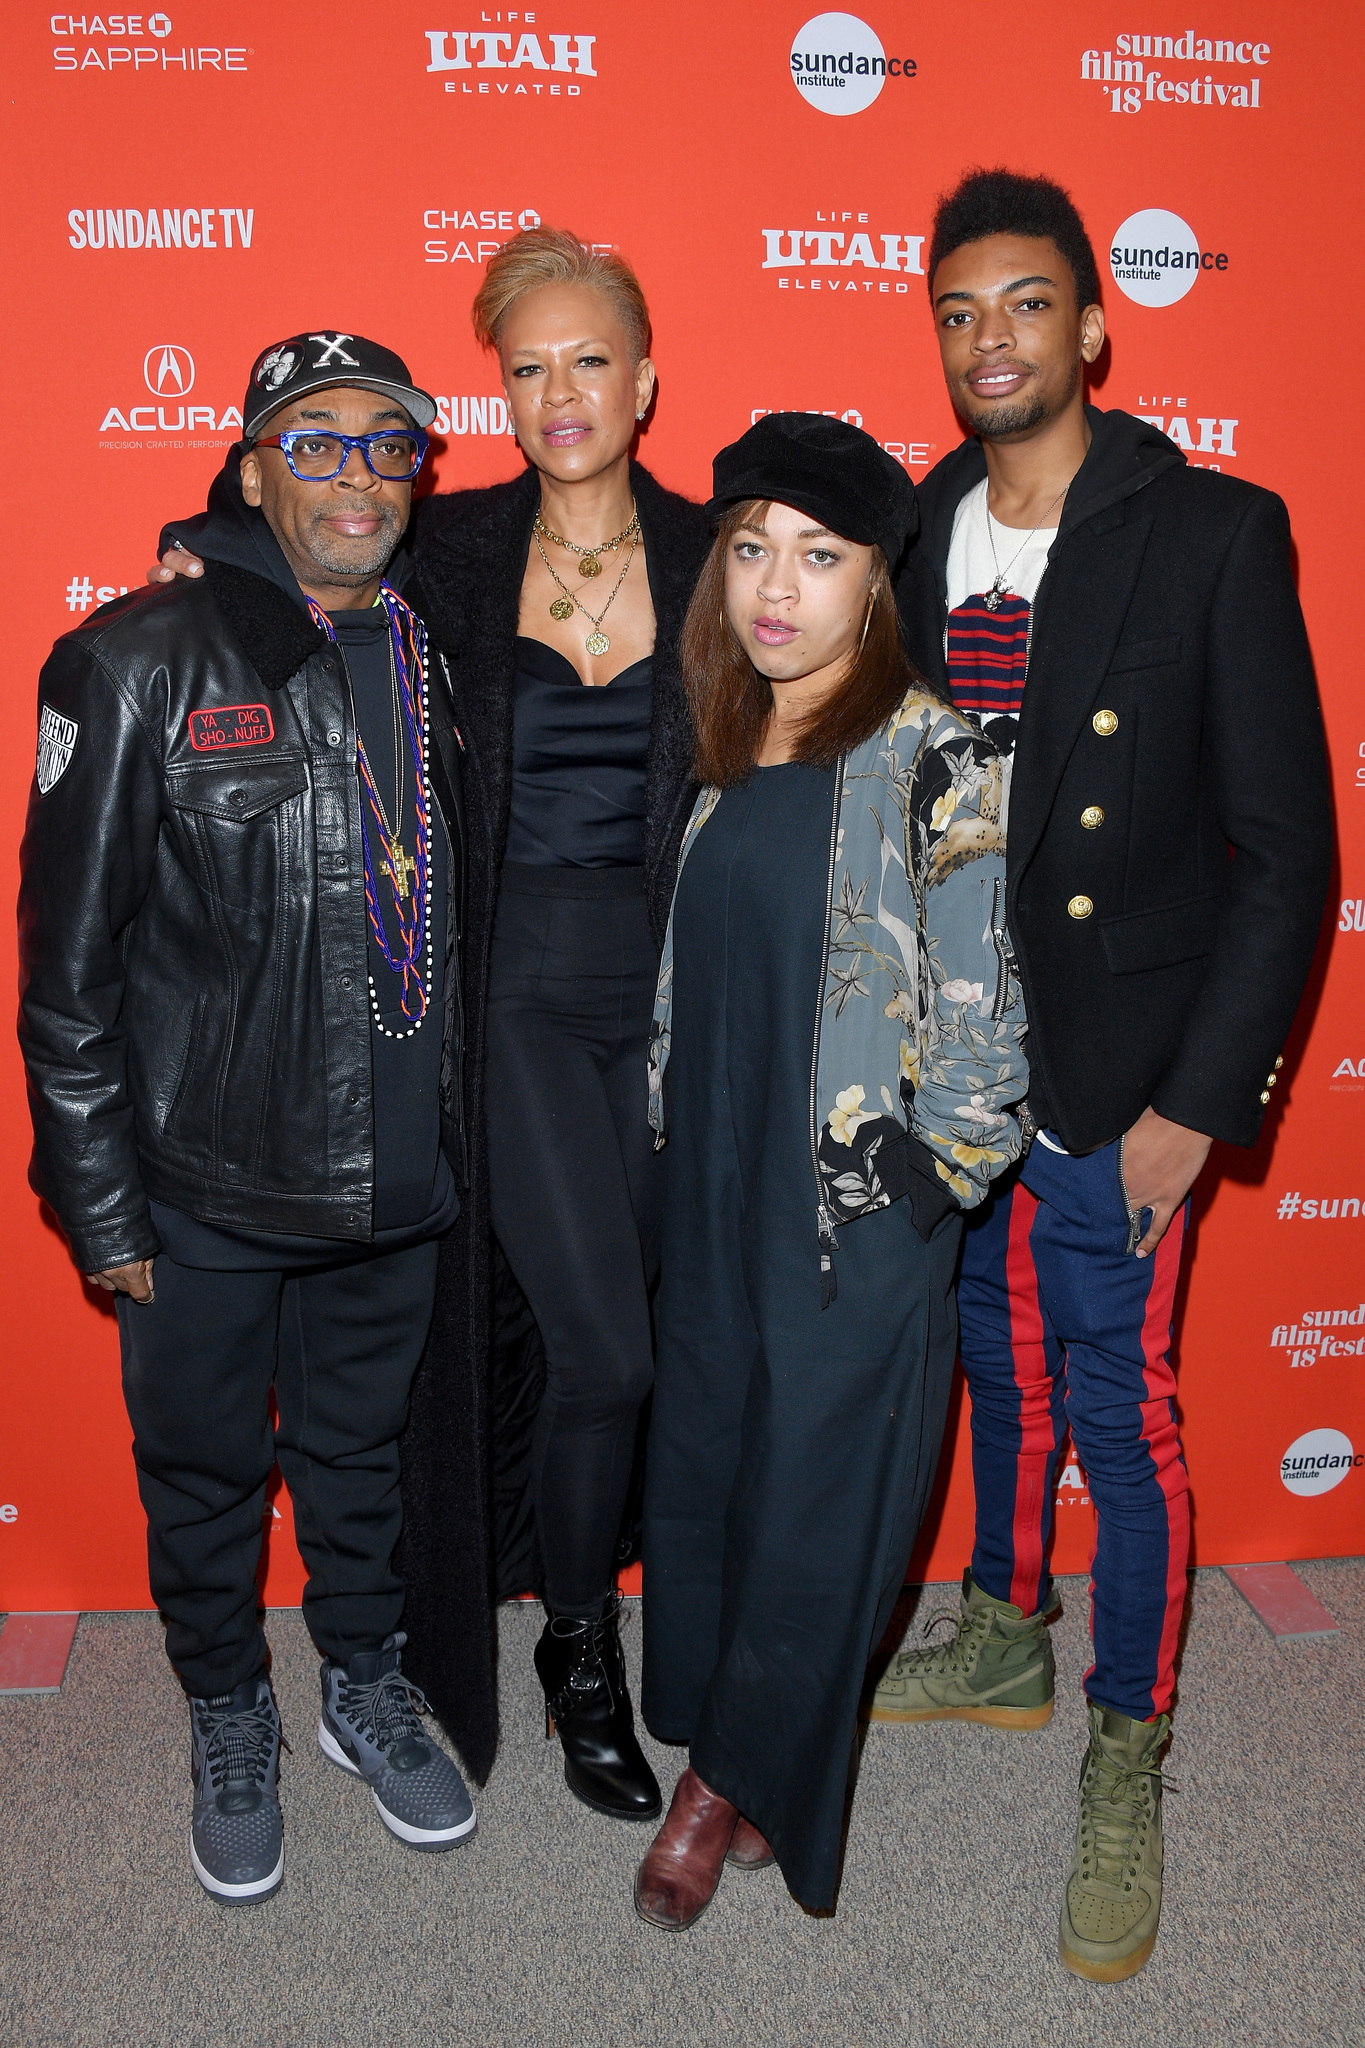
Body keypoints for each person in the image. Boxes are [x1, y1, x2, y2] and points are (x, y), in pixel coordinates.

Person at [156, 233, 711, 1810]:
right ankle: (577, 1647)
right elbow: (296, 536)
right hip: (509, 1000)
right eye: (526, 365)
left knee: (651, 1340)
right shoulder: (448, 554)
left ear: (644, 377)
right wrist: (198, 540)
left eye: (588, 359)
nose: (558, 394)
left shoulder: (714, 552)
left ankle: (623, 1603)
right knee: (602, 1349)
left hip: (669, 1009)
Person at [873, 170, 1332, 1982]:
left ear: (1090, 326)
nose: (990, 339)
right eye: (958, 312)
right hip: (946, 1067)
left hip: (1116, 1079)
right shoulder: (910, 532)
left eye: (1024, 305)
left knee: (1120, 1421)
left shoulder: (1208, 531)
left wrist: (1193, 1109)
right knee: (991, 1365)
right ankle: (999, 1624)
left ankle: (1128, 1745)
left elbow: (1284, 850)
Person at [22, 332, 477, 1904]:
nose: (355, 473)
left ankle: (360, 1679)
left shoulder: (435, 646)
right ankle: (227, 1709)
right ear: (252, 467)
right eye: (316, 442)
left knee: (360, 1459)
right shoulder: (132, 659)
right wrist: (101, 1206)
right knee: (205, 1471)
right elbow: (66, 970)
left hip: (399, 1174)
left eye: (385, 445)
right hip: (206, 1181)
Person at [633, 413, 1029, 1929]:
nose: (774, 588)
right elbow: (699, 983)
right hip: (726, 1187)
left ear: (876, 582)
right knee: (722, 1465)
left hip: (856, 1209)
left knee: (815, 1501)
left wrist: (931, 1183)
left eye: (817, 556)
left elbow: (987, 1007)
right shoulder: (733, 751)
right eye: (750, 550)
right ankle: (750, 1742)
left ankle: (718, 1784)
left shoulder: (938, 755)